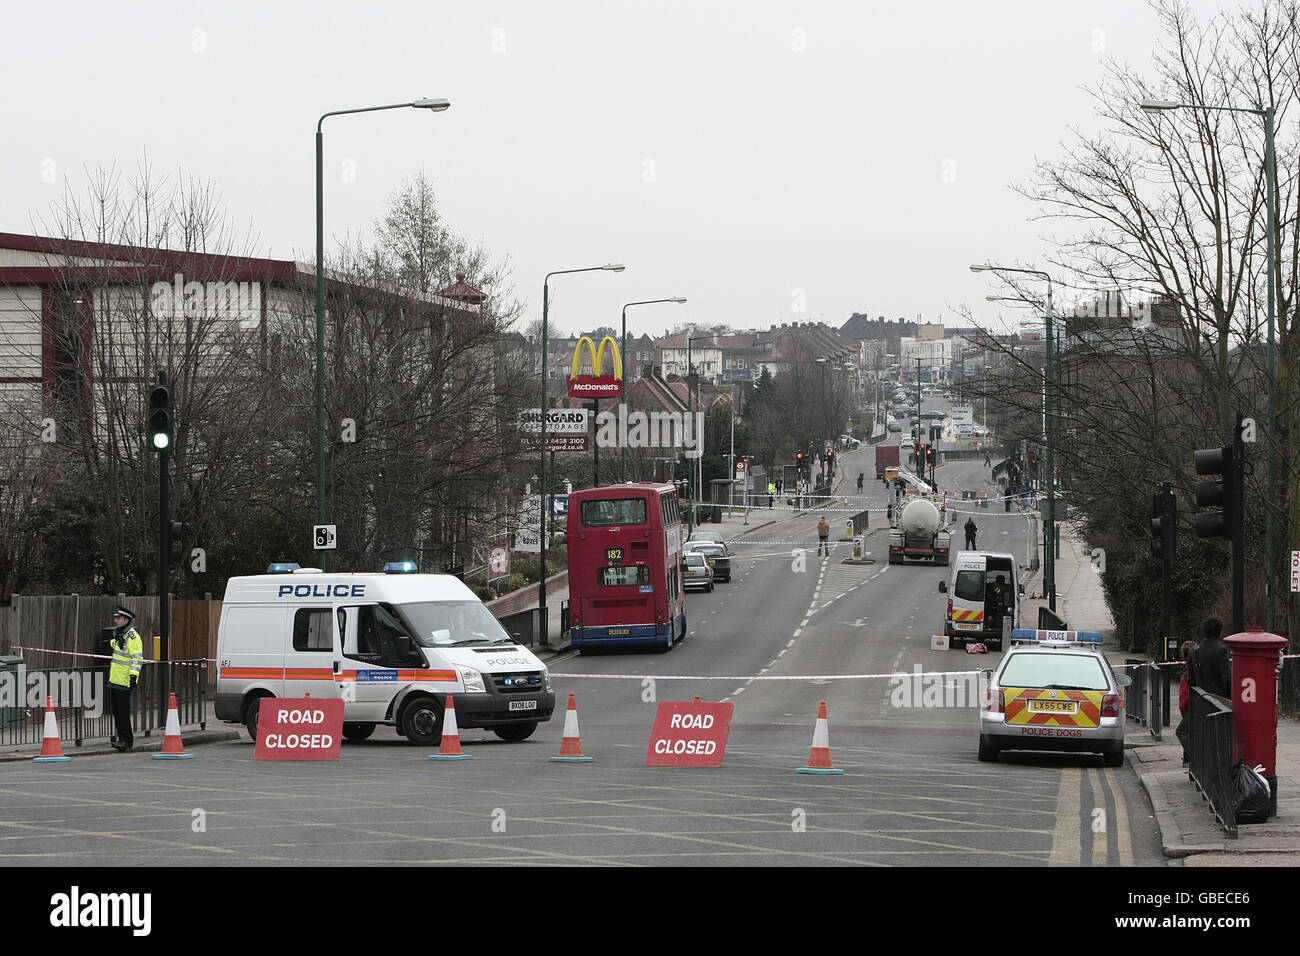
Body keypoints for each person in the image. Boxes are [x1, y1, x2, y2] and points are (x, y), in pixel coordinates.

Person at [108, 605, 143, 752]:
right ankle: (121, 738)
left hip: (124, 681)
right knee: (117, 712)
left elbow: (137, 658)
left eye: (119, 618)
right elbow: (118, 648)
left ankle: (127, 740)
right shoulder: (121, 634)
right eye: (116, 618)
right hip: (114, 681)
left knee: (123, 712)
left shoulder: (132, 636)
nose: (116, 620)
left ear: (126, 620)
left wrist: (134, 676)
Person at [1189, 616, 1232, 699]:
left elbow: (1191, 680)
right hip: (1218, 698)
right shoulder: (1221, 650)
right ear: (1220, 632)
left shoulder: (1193, 651)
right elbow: (1227, 678)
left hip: (1200, 699)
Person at [1174, 639, 1197, 764]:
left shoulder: (1187, 674)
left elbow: (1184, 698)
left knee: (1181, 732)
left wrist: (1184, 713)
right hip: (1203, 707)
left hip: (1192, 709)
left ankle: (1194, 755)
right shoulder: (1200, 668)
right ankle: (1188, 758)